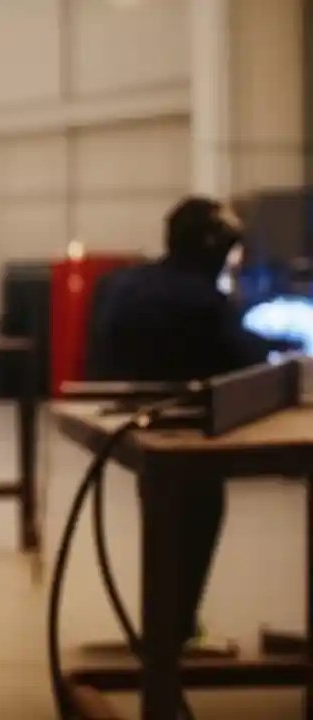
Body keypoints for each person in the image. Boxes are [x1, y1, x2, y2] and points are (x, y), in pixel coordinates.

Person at [86, 196, 298, 652]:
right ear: (213, 247)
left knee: (163, 516)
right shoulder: (202, 302)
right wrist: (281, 350)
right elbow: (243, 360)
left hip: (130, 423)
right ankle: (175, 635)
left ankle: (166, 630)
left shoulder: (122, 283)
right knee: (200, 509)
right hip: (184, 433)